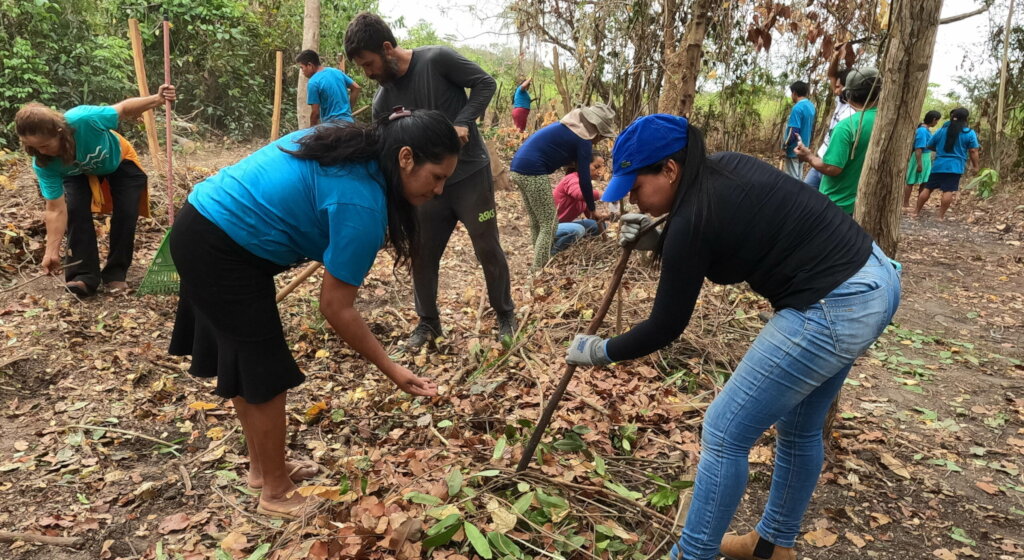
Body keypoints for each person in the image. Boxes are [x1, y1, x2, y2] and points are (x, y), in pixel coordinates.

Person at [565, 114, 901, 560]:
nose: (632, 198)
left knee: (724, 430)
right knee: (799, 429)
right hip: (875, 279)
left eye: (635, 186)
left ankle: (693, 554)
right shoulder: (726, 167)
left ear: (669, 169)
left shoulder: (692, 218)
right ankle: (771, 546)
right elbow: (724, 234)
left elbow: (666, 325)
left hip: (833, 304)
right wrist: (659, 236)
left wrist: (601, 350)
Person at [168, 109, 458, 519]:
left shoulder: (358, 153)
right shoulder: (362, 203)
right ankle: (277, 492)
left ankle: (261, 468)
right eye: (437, 177)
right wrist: (391, 368)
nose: (441, 190)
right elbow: (336, 307)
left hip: (207, 224)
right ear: (406, 158)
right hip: (218, 244)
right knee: (264, 372)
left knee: (245, 361)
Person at [344, 12, 516, 348]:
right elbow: (389, 155)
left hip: (468, 175)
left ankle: (505, 314)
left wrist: (465, 120)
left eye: (369, 64)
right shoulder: (383, 102)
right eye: (362, 68)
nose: (368, 74)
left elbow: (486, 83)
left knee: (486, 246)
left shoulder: (437, 60)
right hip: (425, 190)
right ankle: (428, 324)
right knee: (421, 252)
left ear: (387, 47)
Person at [15, 85, 177, 297]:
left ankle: (116, 273)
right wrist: (51, 251)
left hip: (118, 160)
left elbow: (124, 109)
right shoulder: (44, 163)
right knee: (74, 210)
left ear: (60, 132)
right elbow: (55, 209)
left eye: (44, 145)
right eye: (33, 147)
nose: (40, 151)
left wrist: (157, 99)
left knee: (127, 211)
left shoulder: (83, 119)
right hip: (76, 172)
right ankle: (83, 276)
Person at [509, 104, 615, 269]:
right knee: (548, 224)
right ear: (595, 128)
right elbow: (584, 180)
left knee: (538, 222)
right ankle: (538, 270)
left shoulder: (570, 128)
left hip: (517, 168)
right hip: (533, 170)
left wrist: (591, 211)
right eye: (601, 135)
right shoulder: (582, 138)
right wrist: (594, 207)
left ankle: (538, 260)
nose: (599, 140)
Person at [795, 66, 882, 214]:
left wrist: (808, 156)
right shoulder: (885, 122)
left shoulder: (848, 126)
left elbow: (832, 168)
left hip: (837, 204)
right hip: (861, 204)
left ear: (849, 95)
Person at [913, 107, 980, 220]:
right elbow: (973, 150)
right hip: (955, 166)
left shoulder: (942, 130)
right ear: (965, 119)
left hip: (938, 164)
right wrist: (976, 166)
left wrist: (940, 150)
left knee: (928, 188)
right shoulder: (969, 133)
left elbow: (929, 144)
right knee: (948, 190)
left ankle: (916, 212)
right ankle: (940, 216)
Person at [805, 46, 855, 188]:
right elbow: (832, 75)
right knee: (804, 192)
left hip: (833, 164)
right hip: (821, 160)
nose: (836, 90)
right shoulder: (841, 101)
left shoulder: (855, 113)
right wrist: (836, 57)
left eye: (840, 87)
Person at [552, 155, 607, 254]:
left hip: (563, 226)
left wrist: (605, 216)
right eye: (596, 167)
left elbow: (590, 215)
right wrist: (605, 194)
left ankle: (567, 243)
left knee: (600, 225)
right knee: (577, 230)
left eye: (601, 167)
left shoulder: (585, 184)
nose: (599, 171)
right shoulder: (572, 178)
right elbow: (580, 194)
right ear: (584, 164)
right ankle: (553, 253)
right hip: (551, 227)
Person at [297, 49, 361, 125]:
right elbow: (356, 88)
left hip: (331, 127)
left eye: (302, 68)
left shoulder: (313, 82)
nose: (302, 71)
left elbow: (315, 113)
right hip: (348, 123)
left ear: (310, 65)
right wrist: (348, 110)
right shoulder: (336, 72)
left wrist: (311, 133)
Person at [903, 110, 942, 208]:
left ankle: (919, 203)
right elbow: (918, 148)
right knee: (910, 181)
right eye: (936, 121)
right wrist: (919, 164)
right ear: (933, 120)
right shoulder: (922, 131)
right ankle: (905, 203)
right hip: (920, 157)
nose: (936, 123)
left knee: (925, 181)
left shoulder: (926, 130)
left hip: (926, 157)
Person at [782, 80, 815, 180]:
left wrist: (784, 147)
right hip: (804, 147)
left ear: (795, 93)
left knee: (792, 178)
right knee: (799, 176)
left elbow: (794, 131)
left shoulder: (797, 108)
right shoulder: (811, 106)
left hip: (794, 149)